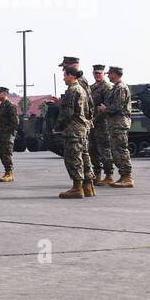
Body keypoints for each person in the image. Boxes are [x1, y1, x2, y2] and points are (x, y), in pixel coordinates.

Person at [58, 56, 96, 196]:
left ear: (70, 75)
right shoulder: (81, 88)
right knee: (84, 156)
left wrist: (58, 125)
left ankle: (77, 187)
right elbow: (88, 108)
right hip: (81, 128)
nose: (63, 78)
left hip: (74, 129)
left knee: (73, 157)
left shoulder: (73, 90)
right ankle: (88, 186)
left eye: (64, 75)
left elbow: (67, 113)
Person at [98, 66, 134, 188]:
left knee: (121, 150)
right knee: (116, 150)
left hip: (119, 124)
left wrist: (105, 109)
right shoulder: (116, 88)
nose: (108, 76)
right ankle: (123, 176)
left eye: (110, 74)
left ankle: (127, 177)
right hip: (114, 124)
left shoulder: (120, 88)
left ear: (115, 74)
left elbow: (118, 107)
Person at [89, 64, 114, 185]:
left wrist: (95, 119)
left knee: (104, 149)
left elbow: (106, 107)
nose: (97, 75)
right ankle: (97, 174)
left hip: (102, 123)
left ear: (103, 74)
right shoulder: (92, 87)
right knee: (92, 149)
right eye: (95, 73)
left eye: (100, 73)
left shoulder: (107, 87)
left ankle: (109, 174)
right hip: (92, 124)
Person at [0, 87, 18, 182]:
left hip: (7, 134)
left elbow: (15, 122)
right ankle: (7, 172)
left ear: (4, 94)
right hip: (2, 134)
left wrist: (8, 132)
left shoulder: (10, 106)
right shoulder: (1, 106)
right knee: (2, 153)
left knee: (7, 153)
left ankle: (10, 173)